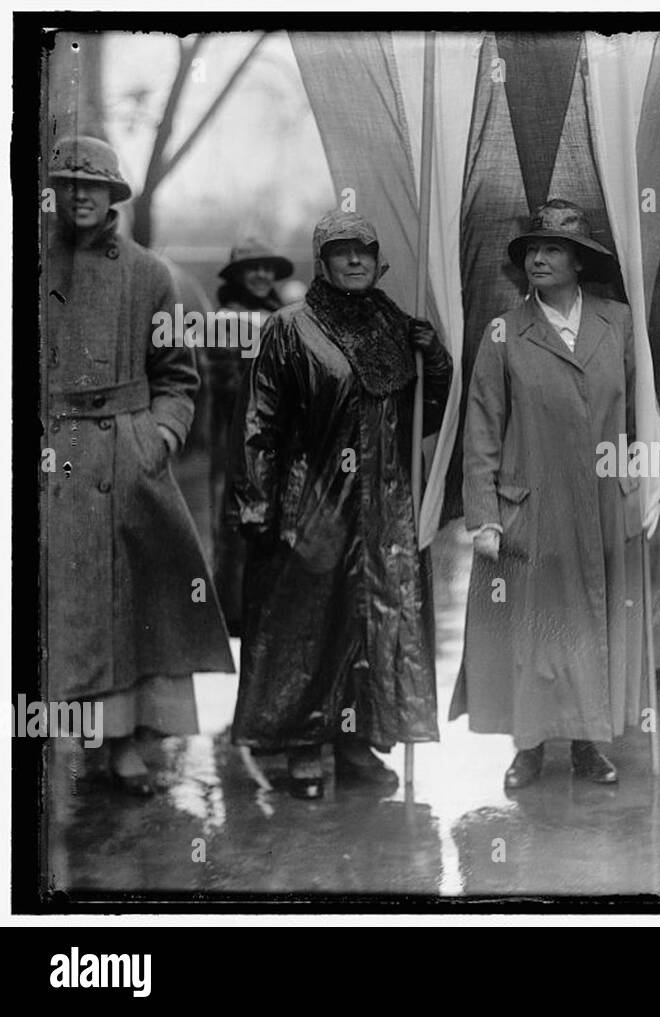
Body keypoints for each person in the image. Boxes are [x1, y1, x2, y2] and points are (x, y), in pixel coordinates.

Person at [229, 210, 452, 799]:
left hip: (384, 507)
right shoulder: (289, 327)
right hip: (313, 503)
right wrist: (258, 504)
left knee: (374, 625)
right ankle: (304, 744)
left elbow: (425, 421)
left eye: (364, 250)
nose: (354, 260)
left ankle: (359, 740)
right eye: (340, 251)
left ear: (378, 261)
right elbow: (259, 423)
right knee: (309, 627)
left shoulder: (398, 328)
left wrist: (436, 363)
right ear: (322, 261)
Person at [42, 135, 235, 796]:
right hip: (47, 459)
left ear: (115, 194)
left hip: (124, 454)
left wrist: (157, 438)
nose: (79, 195)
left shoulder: (149, 273)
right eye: (67, 183)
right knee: (57, 605)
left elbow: (179, 379)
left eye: (91, 185)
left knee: (129, 606)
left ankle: (125, 742)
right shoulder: (29, 267)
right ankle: (68, 736)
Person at [451, 198, 645, 790]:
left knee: (593, 623)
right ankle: (528, 745)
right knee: (533, 630)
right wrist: (484, 516)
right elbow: (481, 427)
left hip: (604, 506)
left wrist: (646, 487)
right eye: (531, 249)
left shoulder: (618, 322)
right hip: (529, 507)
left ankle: (589, 742)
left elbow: (642, 415)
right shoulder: (505, 330)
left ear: (580, 261)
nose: (537, 257)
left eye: (552, 248)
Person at [210, 239, 294, 634]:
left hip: (283, 433)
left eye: (266, 268)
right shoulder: (227, 320)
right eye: (251, 268)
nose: (261, 275)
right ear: (238, 275)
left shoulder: (284, 315)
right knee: (239, 514)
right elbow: (226, 384)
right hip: (240, 431)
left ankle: (271, 604)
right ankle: (235, 614)